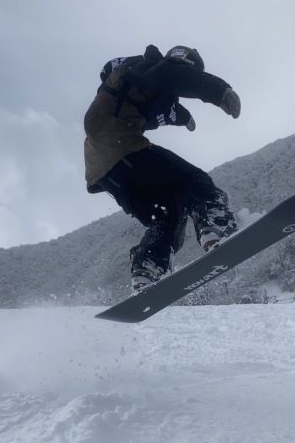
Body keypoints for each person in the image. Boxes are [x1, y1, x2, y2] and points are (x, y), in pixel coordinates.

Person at [84, 44, 242, 291]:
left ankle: (148, 265)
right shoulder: (158, 68)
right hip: (122, 147)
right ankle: (215, 222)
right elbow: (175, 75)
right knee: (194, 181)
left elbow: (168, 109)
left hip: (106, 172)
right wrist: (220, 92)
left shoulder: (136, 83)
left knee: (168, 214)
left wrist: (184, 118)